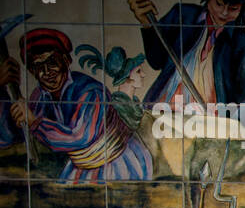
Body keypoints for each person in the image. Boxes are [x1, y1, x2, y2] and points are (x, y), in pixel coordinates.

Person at [0, 27, 152, 181]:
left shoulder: (90, 92)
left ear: (66, 60)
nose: (47, 72)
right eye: (39, 66)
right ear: (32, 71)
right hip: (82, 167)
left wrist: (34, 122)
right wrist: (4, 91)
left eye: (52, 62)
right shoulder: (39, 97)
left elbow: (79, 136)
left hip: (117, 163)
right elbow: (10, 136)